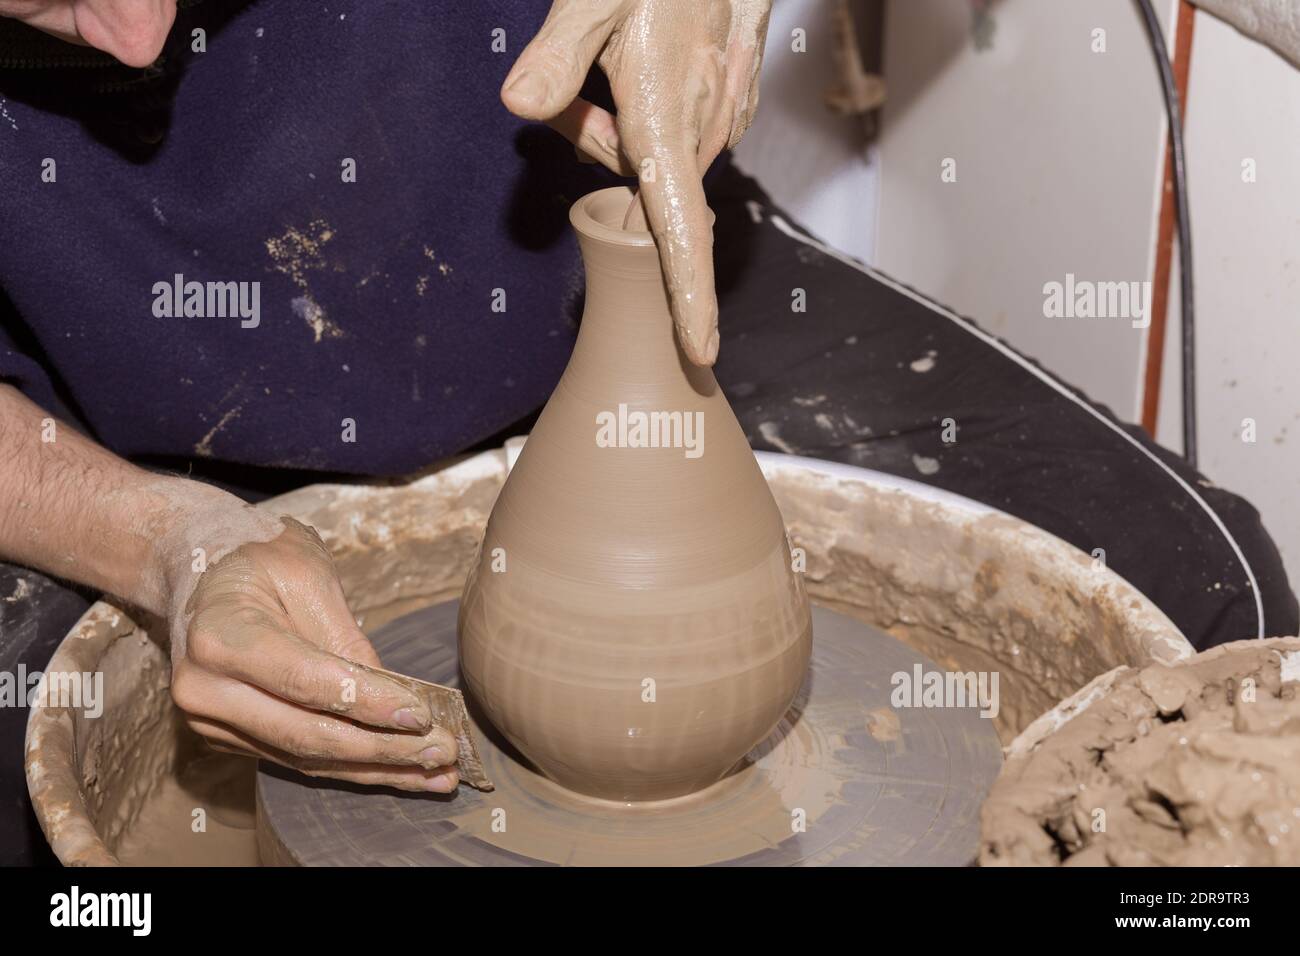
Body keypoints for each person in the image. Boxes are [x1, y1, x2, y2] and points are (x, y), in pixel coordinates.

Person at [1, 0, 1294, 865]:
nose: (130, 32)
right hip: (101, 417)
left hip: (638, 260)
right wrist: (165, 544)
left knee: (1201, 593)